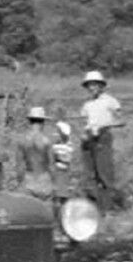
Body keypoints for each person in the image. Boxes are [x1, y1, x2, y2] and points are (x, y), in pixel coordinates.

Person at [79, 70, 124, 211]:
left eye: (94, 85)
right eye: (89, 85)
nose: (91, 88)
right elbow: (84, 122)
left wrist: (103, 126)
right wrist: (84, 134)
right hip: (89, 137)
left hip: (103, 136)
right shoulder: (87, 105)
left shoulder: (110, 101)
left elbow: (122, 120)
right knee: (89, 174)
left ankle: (108, 207)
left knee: (104, 172)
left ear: (101, 86)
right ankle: (93, 207)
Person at [12, 106, 54, 199]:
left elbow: (19, 165)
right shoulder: (47, 141)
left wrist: (19, 182)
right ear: (43, 122)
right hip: (44, 181)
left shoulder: (22, 140)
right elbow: (51, 164)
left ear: (29, 121)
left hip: (28, 181)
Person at [51, 120, 75, 206]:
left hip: (61, 170)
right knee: (58, 191)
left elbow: (65, 158)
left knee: (61, 191)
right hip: (58, 171)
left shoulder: (66, 146)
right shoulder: (62, 145)